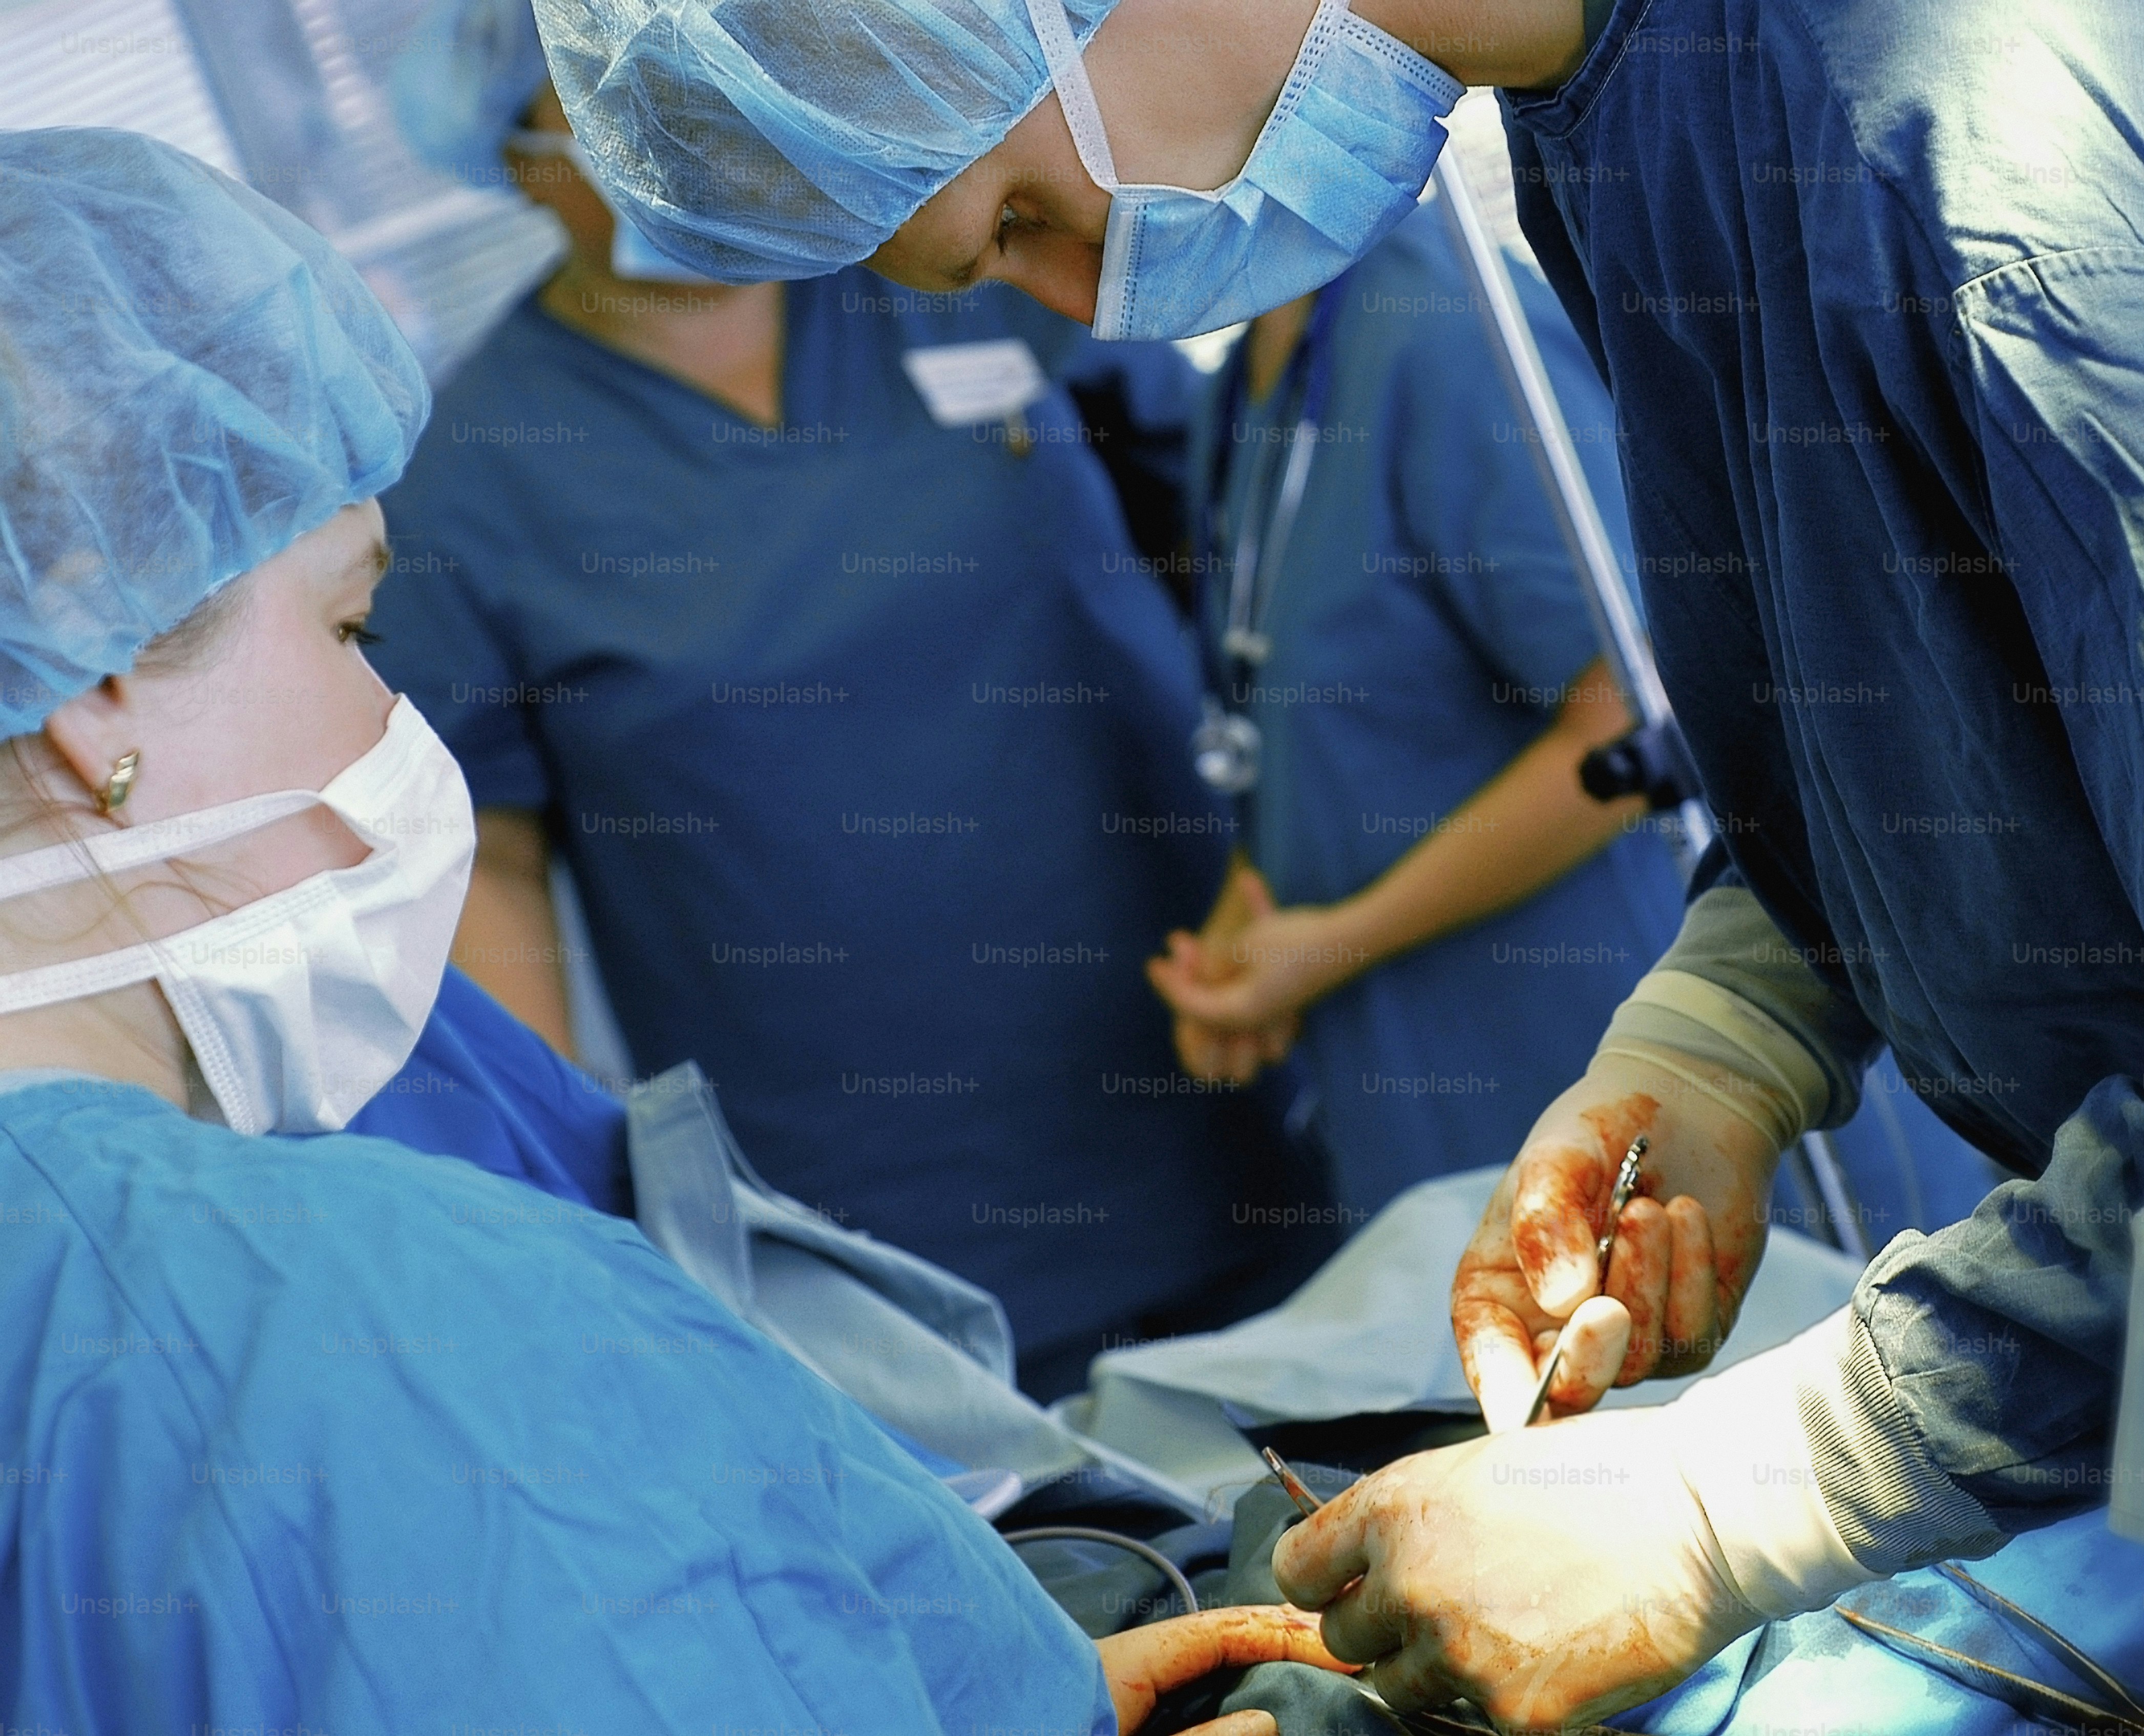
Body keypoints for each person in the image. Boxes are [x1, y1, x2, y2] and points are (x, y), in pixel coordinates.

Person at [531, 0, 2144, 1724]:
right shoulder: (1632, 107)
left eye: (1015, 219)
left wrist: (1749, 1492)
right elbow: (1929, 668)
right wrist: (1726, 1025)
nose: (1091, 306)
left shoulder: (2010, 115)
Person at [0, 122, 1340, 1736]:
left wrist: (1003, 1686)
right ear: (93, 680)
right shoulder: (386, 1309)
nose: (391, 720)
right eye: (352, 623)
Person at [369, 0, 1329, 1400]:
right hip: (879, 1185)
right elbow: (488, 870)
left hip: (1222, 1045)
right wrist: (577, 1211)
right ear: (512, 156)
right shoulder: (473, 481)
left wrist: (1324, 878)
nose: (680, 144)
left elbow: (1245, 548)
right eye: (611, 111)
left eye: (704, 94)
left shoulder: (963, 251)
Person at [1142, 199, 1683, 1212]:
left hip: (1601, 1070)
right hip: (1417, 1091)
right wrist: (1252, 912)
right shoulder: (1252, 380)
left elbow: (1634, 720)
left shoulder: (1442, 330)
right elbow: (1317, 713)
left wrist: (1340, 938)